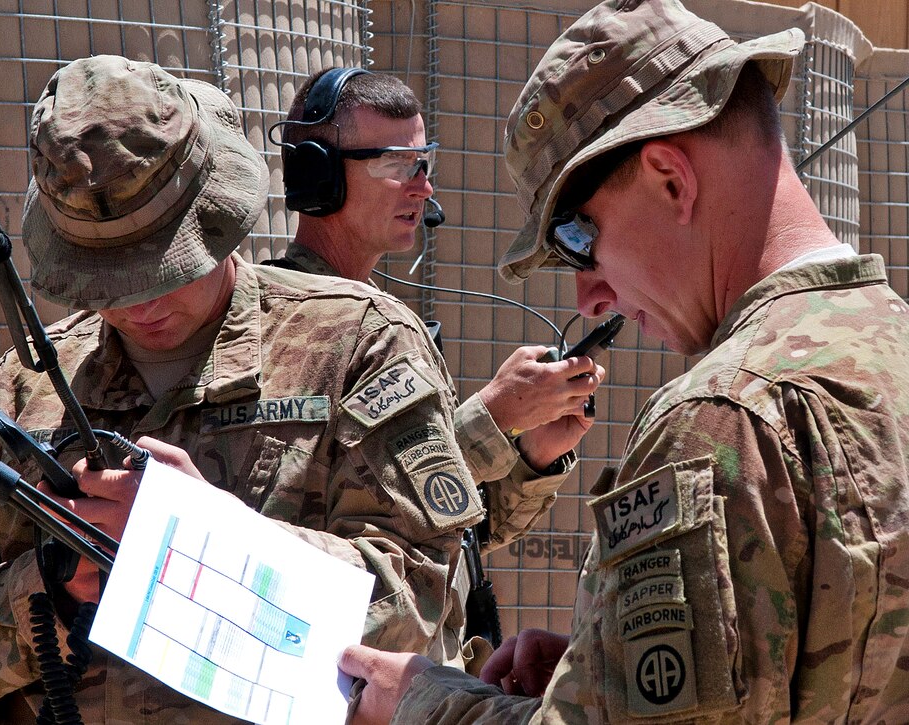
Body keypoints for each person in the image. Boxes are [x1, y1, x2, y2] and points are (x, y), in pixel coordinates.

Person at [0, 55, 486, 724]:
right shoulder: (20, 390)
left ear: (214, 214)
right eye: (107, 277)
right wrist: (46, 594)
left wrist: (206, 537)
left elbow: (418, 610)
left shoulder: (356, 344)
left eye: (162, 265)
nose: (138, 301)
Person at [339, 0, 909, 722]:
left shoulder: (722, 418)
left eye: (580, 237)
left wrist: (424, 703)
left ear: (672, 178)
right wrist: (599, 665)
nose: (591, 295)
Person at [269, 68, 605, 556]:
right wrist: (494, 415)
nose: (423, 188)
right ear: (317, 176)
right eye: (396, 164)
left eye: (423, 162)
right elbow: (345, 537)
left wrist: (533, 455)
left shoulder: (381, 325)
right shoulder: (276, 331)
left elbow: (445, 537)